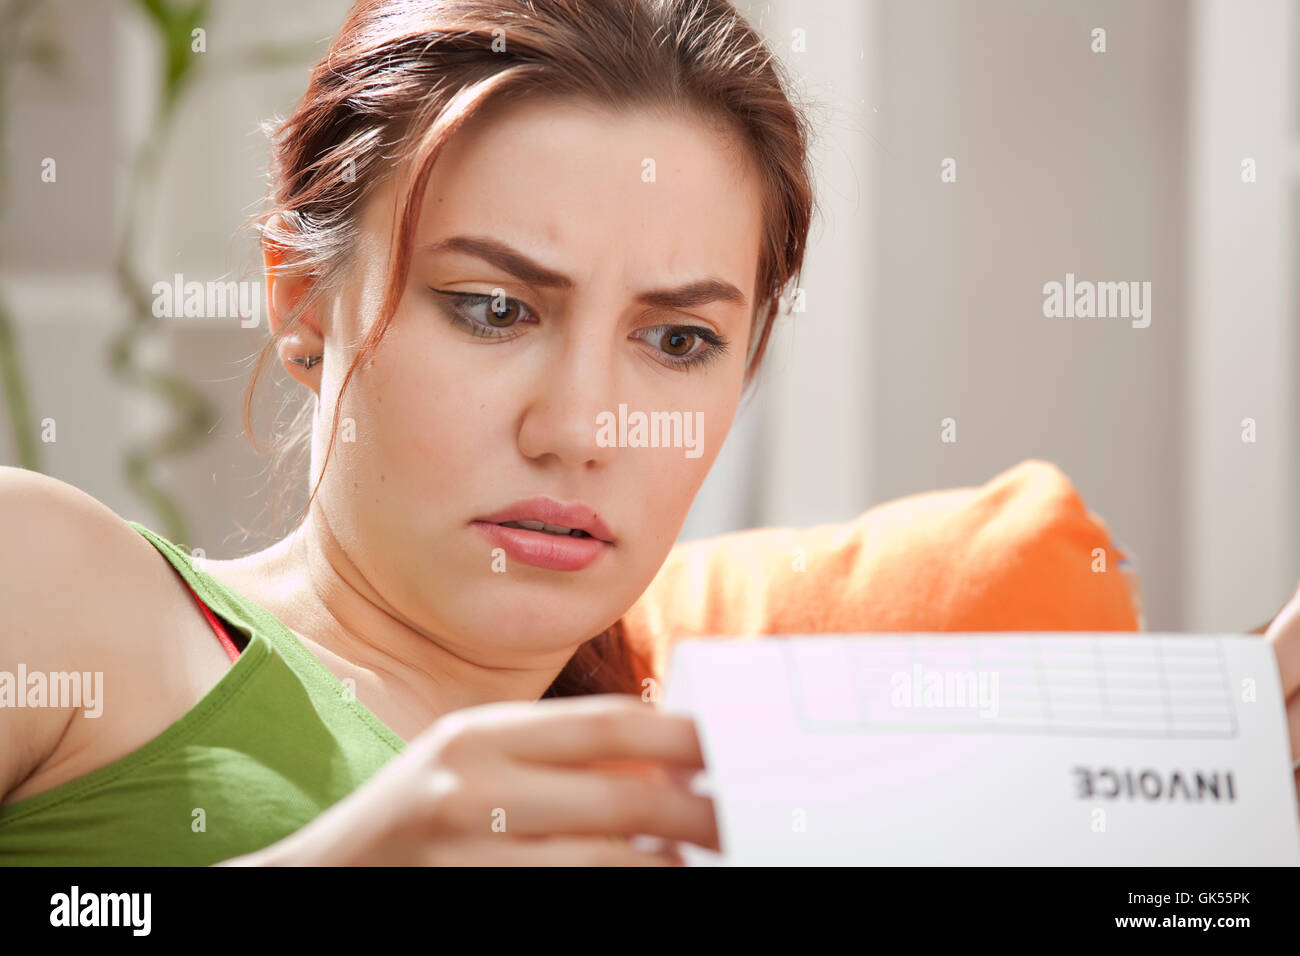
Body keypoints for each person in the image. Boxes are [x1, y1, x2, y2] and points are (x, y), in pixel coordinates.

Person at [0, 0, 815, 865]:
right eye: (494, 309)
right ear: (304, 303)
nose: (580, 428)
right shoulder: (49, 584)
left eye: (677, 340)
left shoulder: (719, 807)